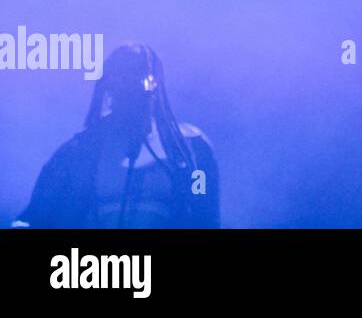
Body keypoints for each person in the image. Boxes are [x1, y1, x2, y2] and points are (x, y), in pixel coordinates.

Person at [12, 43, 219, 228]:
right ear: (110, 92)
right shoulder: (77, 155)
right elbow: (37, 214)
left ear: (155, 91)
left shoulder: (192, 152)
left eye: (138, 93)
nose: (133, 102)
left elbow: (203, 207)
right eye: (125, 91)